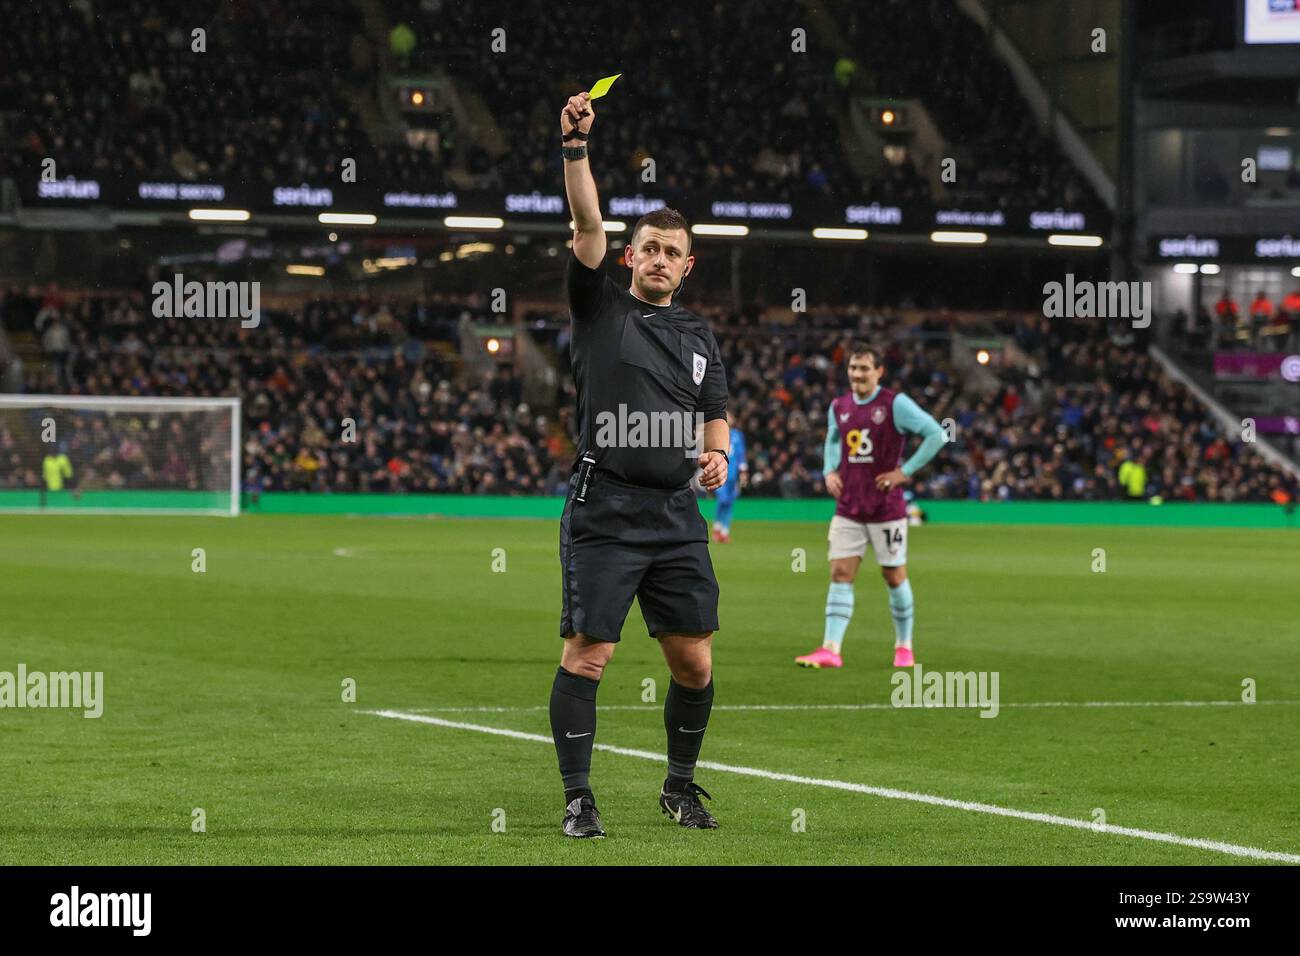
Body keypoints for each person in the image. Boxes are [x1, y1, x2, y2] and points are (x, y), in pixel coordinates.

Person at [550, 90, 730, 838]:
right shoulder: (599, 306)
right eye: (648, 248)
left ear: (688, 268)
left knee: (694, 663)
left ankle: (680, 787)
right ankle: (579, 798)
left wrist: (716, 453)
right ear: (629, 257)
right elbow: (587, 220)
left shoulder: (699, 335)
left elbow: (714, 411)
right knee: (589, 655)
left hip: (675, 513)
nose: (659, 260)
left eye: (672, 253)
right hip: (607, 507)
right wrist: (575, 149)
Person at [795, 343, 945, 670]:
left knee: (893, 575)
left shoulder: (895, 404)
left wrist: (904, 473)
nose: (857, 374)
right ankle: (831, 649)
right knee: (840, 572)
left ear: (879, 372)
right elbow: (833, 439)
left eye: (864, 368)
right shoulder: (840, 406)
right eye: (853, 368)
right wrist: (829, 470)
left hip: (885, 507)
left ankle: (904, 647)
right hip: (849, 504)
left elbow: (936, 434)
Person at [711, 411, 747, 542]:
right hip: (721, 473)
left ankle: (724, 532)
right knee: (723, 500)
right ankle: (717, 528)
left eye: (730, 416)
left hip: (733, 475)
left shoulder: (737, 435)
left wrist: (743, 472)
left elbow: (741, 455)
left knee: (730, 503)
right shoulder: (716, 434)